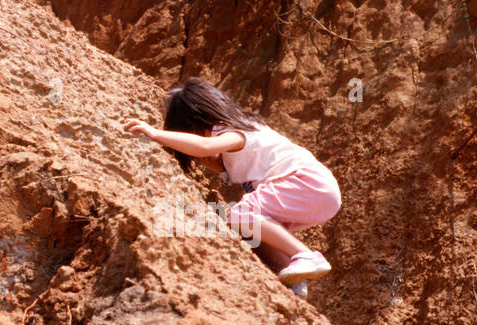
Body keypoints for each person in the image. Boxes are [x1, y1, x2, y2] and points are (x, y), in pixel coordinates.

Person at [122, 78, 341, 291]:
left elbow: (205, 146)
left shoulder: (235, 132)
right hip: (320, 193)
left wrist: (155, 133)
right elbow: (214, 155)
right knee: (250, 228)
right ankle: (290, 275)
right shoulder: (244, 144)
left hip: (307, 182)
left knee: (242, 213)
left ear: (199, 123)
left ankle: (306, 256)